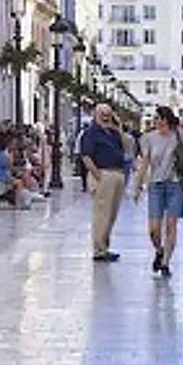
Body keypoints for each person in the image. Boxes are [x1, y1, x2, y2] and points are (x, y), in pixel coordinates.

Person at [134, 107, 183, 277]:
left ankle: (166, 262)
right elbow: (144, 162)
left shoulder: (179, 136)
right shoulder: (148, 138)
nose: (156, 121)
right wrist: (137, 185)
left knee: (171, 225)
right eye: (155, 118)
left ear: (167, 119)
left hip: (175, 185)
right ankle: (159, 250)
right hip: (156, 185)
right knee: (154, 230)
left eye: (160, 118)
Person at [80, 104, 128, 262]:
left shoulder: (113, 132)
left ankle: (105, 246)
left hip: (117, 173)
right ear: (95, 114)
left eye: (108, 113)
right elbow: (86, 156)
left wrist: (117, 126)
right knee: (102, 213)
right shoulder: (90, 133)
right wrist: (97, 175)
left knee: (112, 215)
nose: (106, 116)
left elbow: (125, 146)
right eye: (103, 113)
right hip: (103, 173)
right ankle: (99, 249)